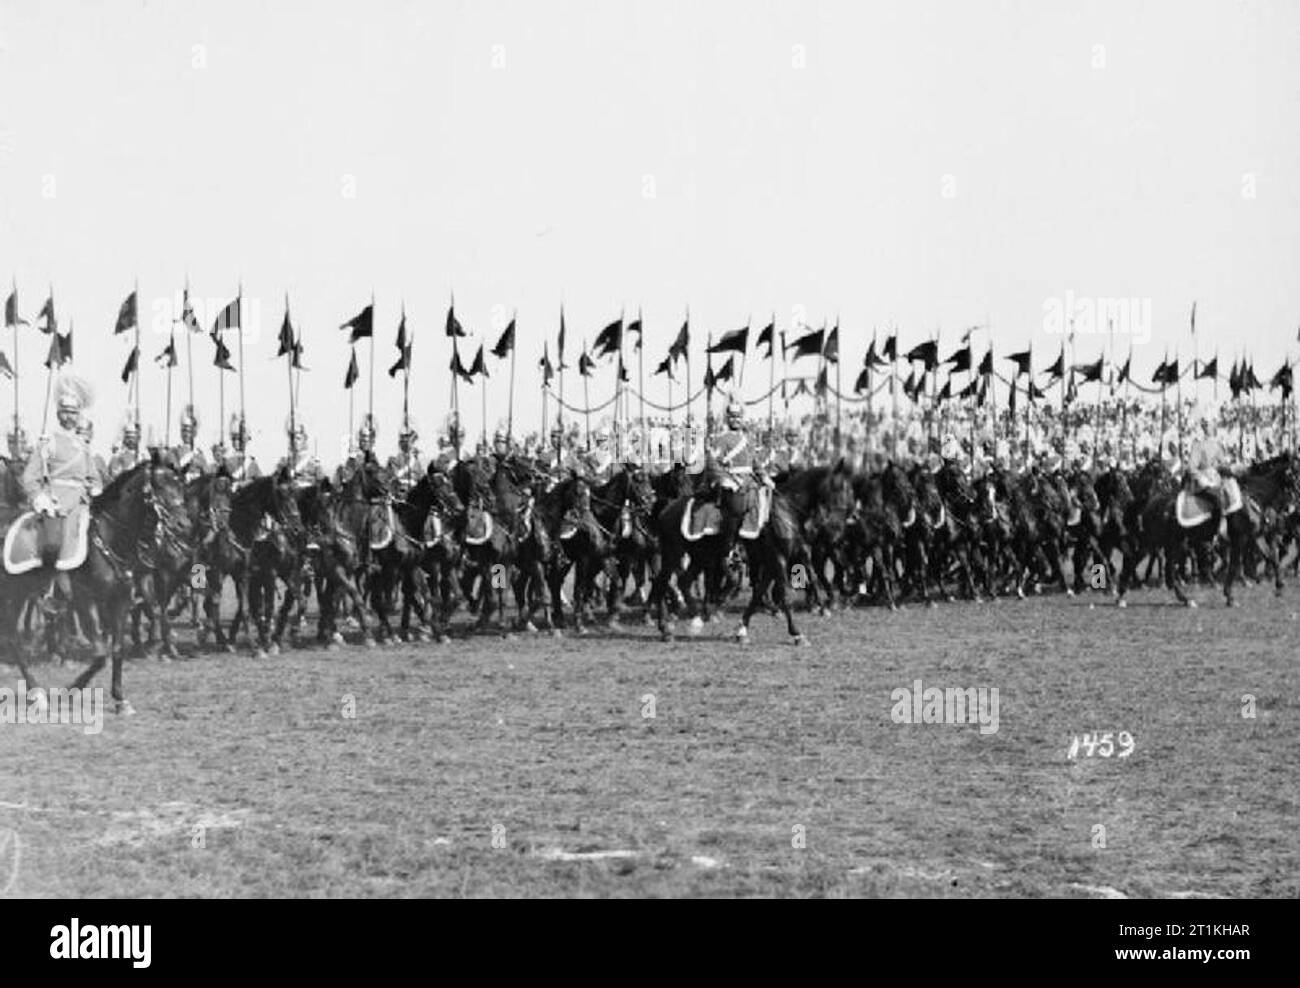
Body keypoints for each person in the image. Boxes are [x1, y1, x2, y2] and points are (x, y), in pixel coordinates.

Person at [22, 375, 98, 518]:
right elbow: (31, 476)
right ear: (58, 413)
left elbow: (94, 477)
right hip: (57, 502)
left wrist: (96, 489)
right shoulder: (49, 442)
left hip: (82, 504)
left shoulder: (83, 446)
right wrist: (39, 496)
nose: (69, 417)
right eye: (65, 412)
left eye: (74, 413)